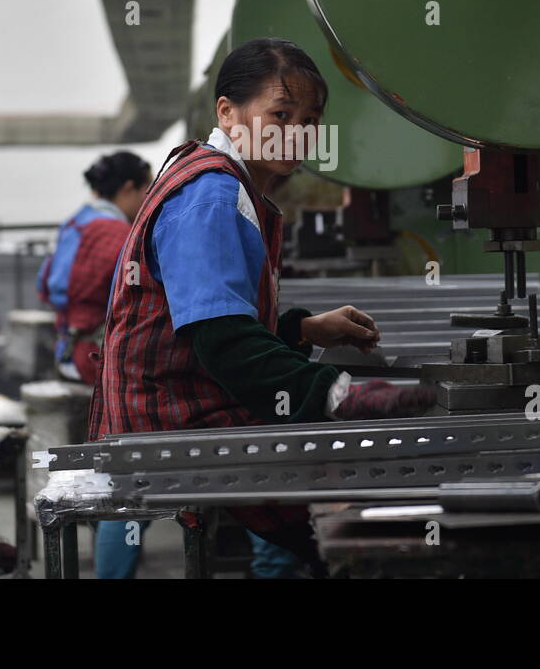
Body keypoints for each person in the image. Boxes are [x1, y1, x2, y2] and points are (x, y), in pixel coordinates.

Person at [90, 37, 435, 577]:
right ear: (227, 112)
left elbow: (214, 313)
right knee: (351, 519)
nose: (295, 132)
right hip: (175, 415)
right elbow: (222, 340)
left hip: (186, 400)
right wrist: (338, 394)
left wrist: (303, 328)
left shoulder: (224, 184)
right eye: (280, 113)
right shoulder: (211, 194)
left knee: (339, 524)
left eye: (310, 118)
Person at [38, 151, 150, 385]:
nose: (149, 198)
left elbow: (44, 286)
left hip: (67, 348)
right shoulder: (116, 233)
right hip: (96, 358)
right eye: (146, 188)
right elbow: (138, 294)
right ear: (128, 188)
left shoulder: (76, 222)